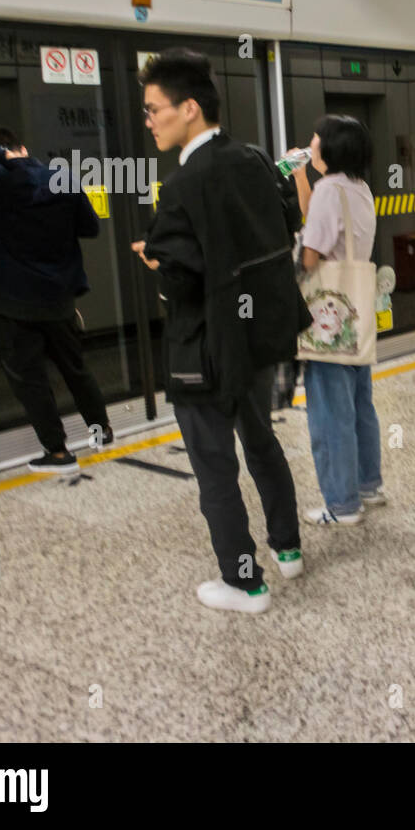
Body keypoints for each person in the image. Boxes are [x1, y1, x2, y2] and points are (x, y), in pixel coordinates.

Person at [133, 48, 310, 615]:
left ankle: (244, 582)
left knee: (214, 465)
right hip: (257, 337)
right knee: (261, 442)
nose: (149, 120)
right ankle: (288, 548)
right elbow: (286, 223)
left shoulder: (184, 184)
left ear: (189, 109)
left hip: (206, 350)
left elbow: (183, 280)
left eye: (154, 109)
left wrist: (157, 265)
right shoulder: (254, 160)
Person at [0, 127, 112, 474]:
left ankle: (57, 452)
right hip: (58, 296)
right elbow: (90, 228)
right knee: (75, 368)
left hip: (11, 302)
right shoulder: (60, 177)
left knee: (30, 379)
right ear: (24, 147)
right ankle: (101, 430)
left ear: (1, 153)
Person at [284, 115, 385, 526]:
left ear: (330, 147)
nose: (312, 143)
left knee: (329, 410)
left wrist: (293, 269)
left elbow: (311, 252)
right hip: (355, 309)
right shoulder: (358, 189)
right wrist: (301, 177)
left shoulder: (331, 189)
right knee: (360, 403)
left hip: (326, 312)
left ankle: (341, 504)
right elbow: (321, 219)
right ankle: (367, 485)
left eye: (316, 139)